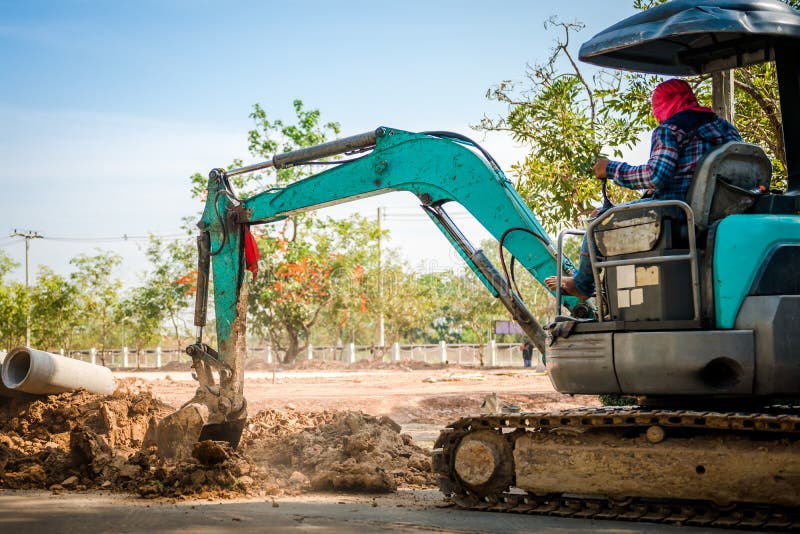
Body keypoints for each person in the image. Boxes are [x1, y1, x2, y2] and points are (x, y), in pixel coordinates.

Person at [545, 78, 742, 300]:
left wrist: (611, 169)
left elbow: (654, 176)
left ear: (664, 104)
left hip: (676, 212)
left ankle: (582, 284)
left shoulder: (670, 129)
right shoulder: (726, 129)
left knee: (598, 221)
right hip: (722, 215)